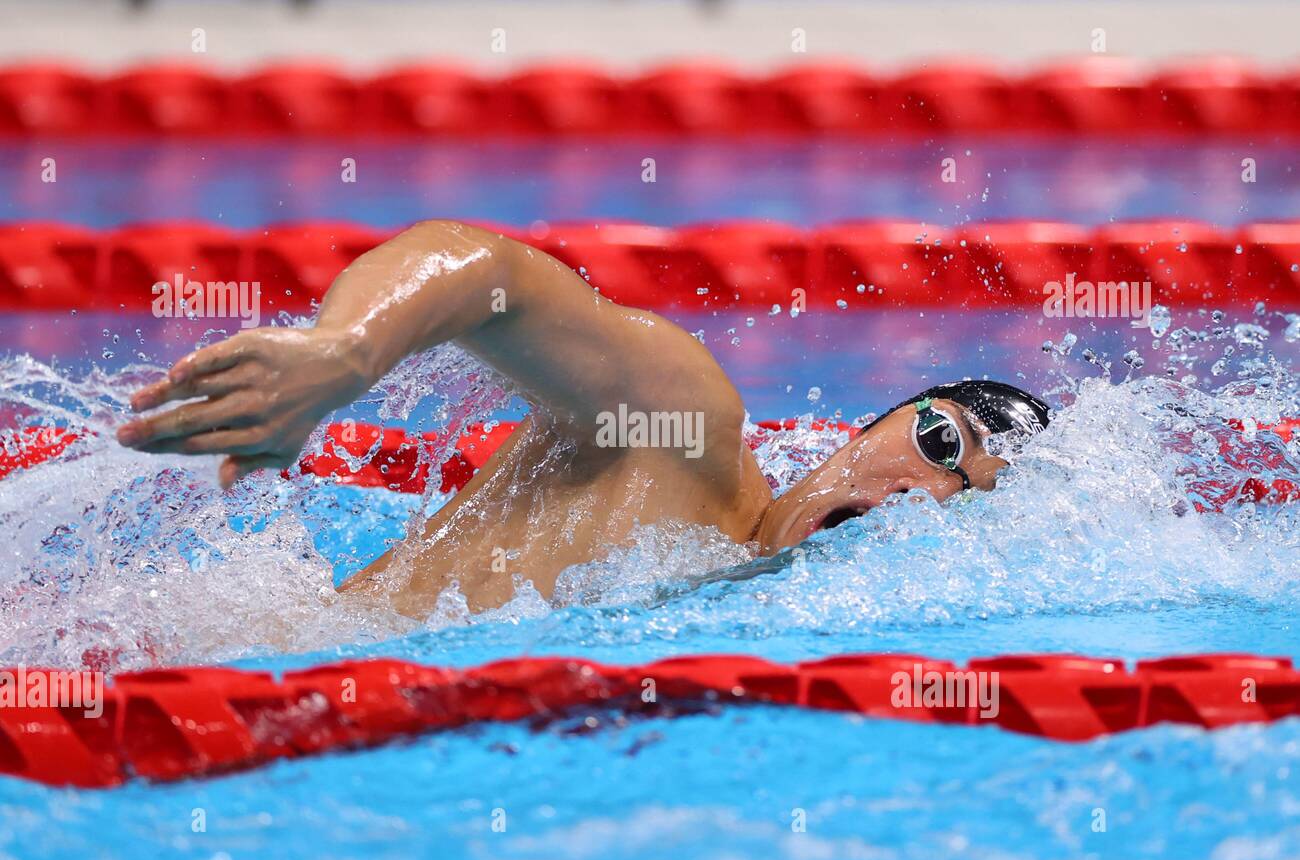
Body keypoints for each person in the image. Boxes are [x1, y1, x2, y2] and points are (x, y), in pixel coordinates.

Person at [115, 221, 1049, 616]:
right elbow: (487, 271)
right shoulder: (683, 434)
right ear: (866, 425)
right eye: (937, 443)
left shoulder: (755, 619)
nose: (919, 493)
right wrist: (346, 354)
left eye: (955, 499)